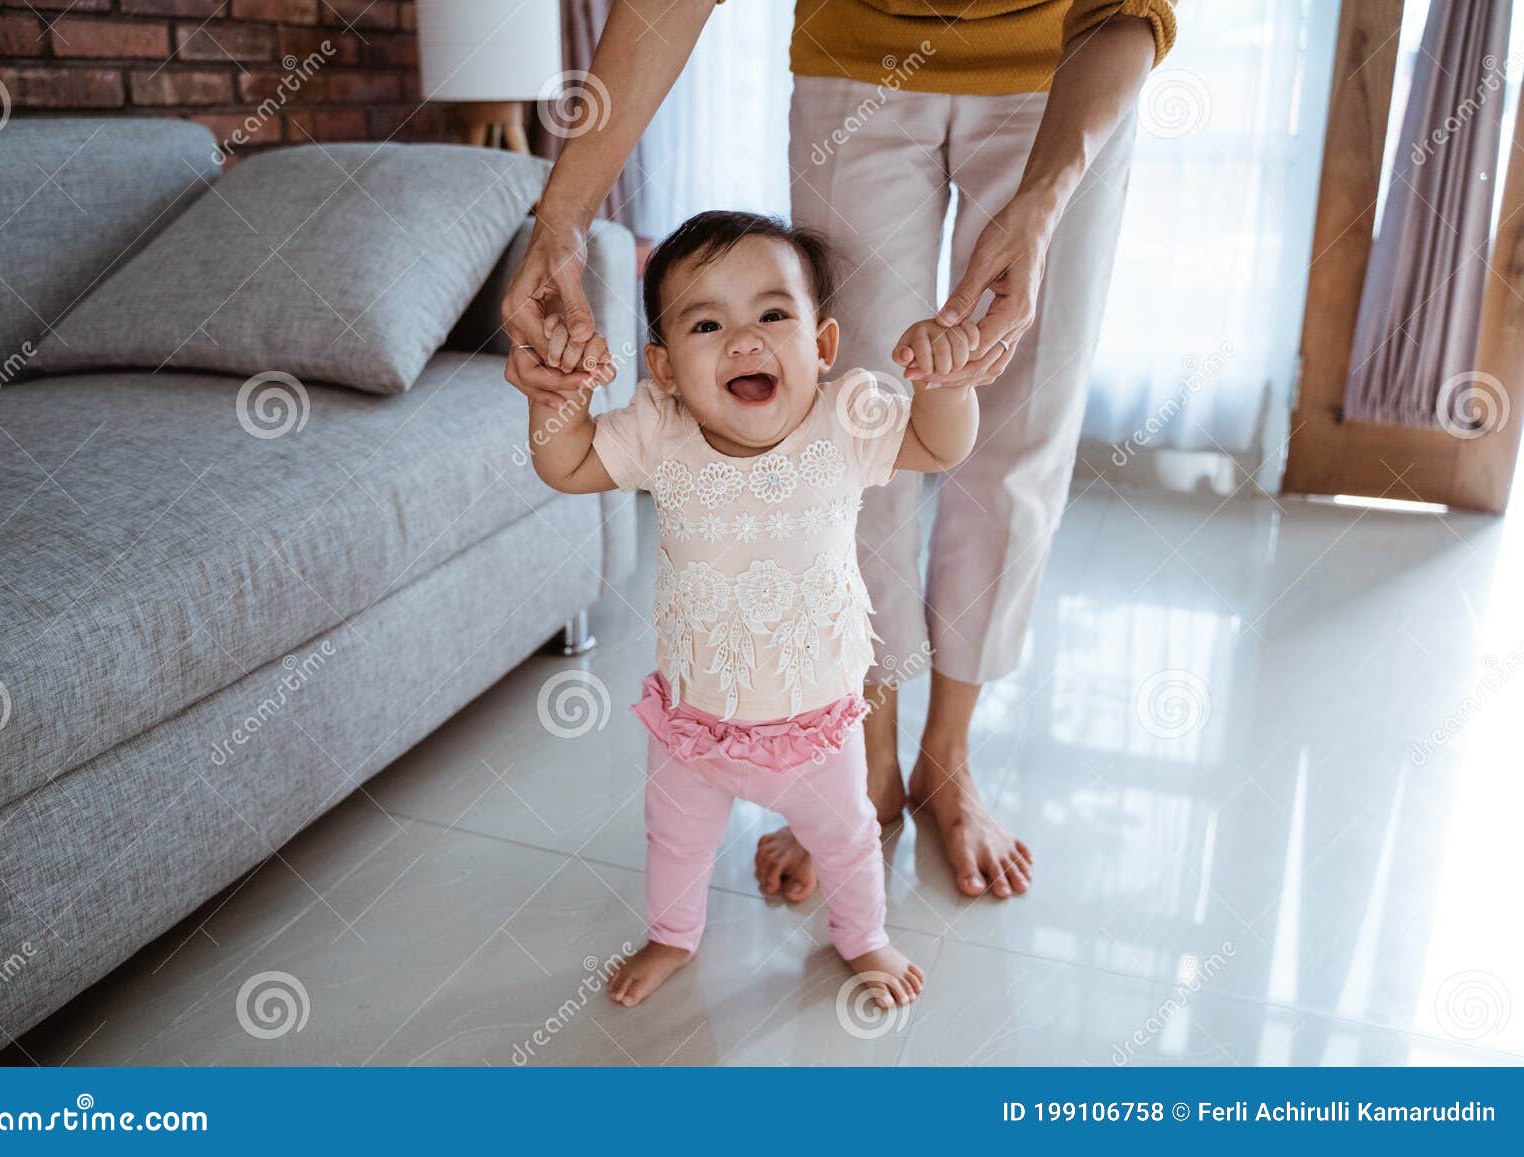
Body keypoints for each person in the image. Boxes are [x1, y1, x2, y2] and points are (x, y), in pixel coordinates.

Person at [504, 0, 1176, 904]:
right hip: (858, 67)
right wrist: (563, 217)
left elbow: (1134, 9)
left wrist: (1043, 201)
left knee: (1013, 423)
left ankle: (948, 756)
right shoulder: (662, 422)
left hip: (1064, 69)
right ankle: (864, 761)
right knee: (840, 428)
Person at [526, 210, 986, 1007]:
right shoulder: (659, 429)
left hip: (817, 727)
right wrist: (555, 399)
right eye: (707, 323)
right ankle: (673, 934)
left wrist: (948, 384)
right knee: (674, 837)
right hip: (694, 726)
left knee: (847, 840)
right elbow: (566, 466)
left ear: (823, 345)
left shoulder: (845, 419)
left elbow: (942, 447)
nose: (744, 340)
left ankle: (863, 935)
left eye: (773, 313)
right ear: (665, 370)